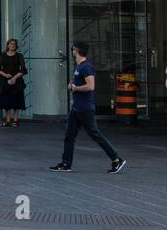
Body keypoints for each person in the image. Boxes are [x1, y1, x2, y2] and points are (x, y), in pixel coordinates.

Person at [51, 41, 126, 173]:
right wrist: (72, 86)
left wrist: (75, 88)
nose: (72, 51)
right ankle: (66, 163)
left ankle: (116, 159)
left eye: (73, 49)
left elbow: (91, 86)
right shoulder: (79, 66)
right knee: (69, 136)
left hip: (85, 108)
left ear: (76, 50)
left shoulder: (86, 67)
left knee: (95, 134)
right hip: (77, 108)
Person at [0, 38, 27, 127]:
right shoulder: (3, 55)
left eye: (14, 44)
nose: (12, 45)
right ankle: (8, 120)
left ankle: (15, 120)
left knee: (17, 101)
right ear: (8, 45)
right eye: (11, 44)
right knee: (6, 101)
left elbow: (23, 70)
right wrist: (5, 75)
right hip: (5, 81)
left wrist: (15, 78)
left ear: (16, 46)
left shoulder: (19, 56)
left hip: (17, 81)